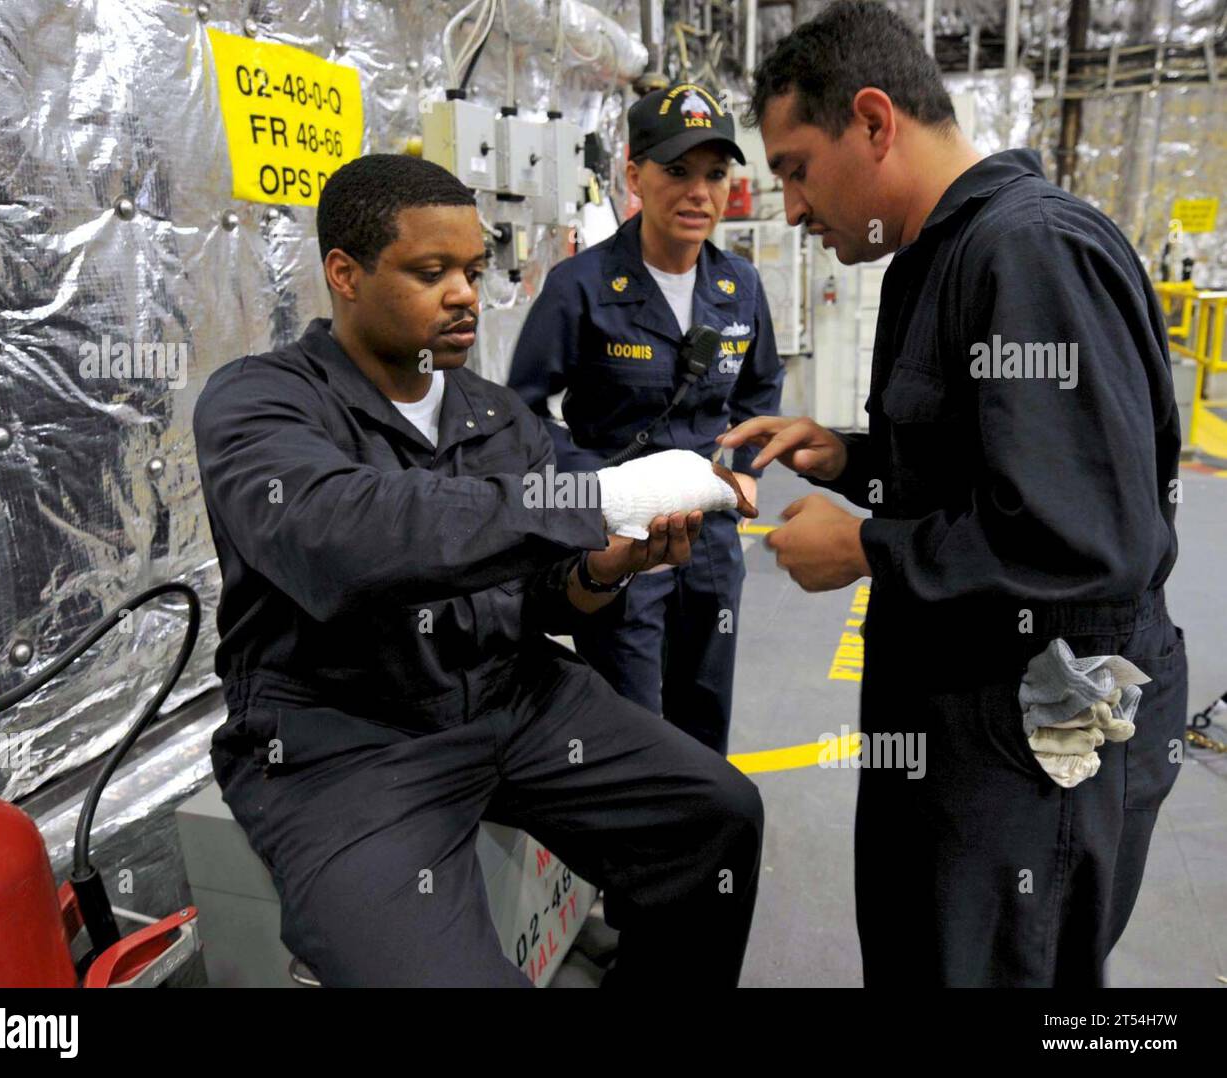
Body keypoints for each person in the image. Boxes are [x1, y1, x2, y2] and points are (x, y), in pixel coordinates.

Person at [192, 153, 764, 987]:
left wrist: (597, 572)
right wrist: (599, 497)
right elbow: (340, 539)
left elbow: (540, 595)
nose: (464, 292)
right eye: (432, 272)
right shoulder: (260, 403)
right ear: (344, 275)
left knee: (717, 817)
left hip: (512, 696)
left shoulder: (494, 413)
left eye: (472, 269)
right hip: (348, 739)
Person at [721, 0, 1186, 987]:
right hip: (954, 720)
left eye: (797, 168)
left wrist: (862, 549)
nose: (791, 210)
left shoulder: (1026, 252)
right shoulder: (932, 258)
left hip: (1033, 734)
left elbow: (1083, 541)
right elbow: (985, 463)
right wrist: (846, 455)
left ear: (875, 122)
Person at [509, 82, 785, 756]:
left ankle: (701, 847)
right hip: (624, 537)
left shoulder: (739, 287)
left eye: (715, 175)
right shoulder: (581, 286)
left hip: (713, 543)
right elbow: (519, 410)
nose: (699, 193)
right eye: (677, 171)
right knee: (631, 725)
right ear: (635, 176)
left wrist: (740, 471)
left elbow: (760, 386)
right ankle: (633, 854)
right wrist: (597, 489)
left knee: (705, 707)